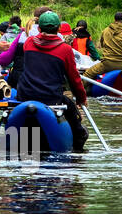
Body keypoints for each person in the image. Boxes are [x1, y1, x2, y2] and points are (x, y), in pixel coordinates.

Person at [17, 10, 89, 152]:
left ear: (38, 28)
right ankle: (78, 139)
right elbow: (74, 79)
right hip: (51, 97)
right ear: (59, 29)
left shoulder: (29, 43)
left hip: (25, 95)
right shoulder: (65, 50)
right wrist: (81, 99)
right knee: (71, 109)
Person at [84, 11, 122, 95]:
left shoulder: (105, 31)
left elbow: (102, 43)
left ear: (114, 20)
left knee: (88, 74)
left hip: (106, 64)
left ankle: (84, 91)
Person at [0, 6, 50, 92]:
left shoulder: (23, 35)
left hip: (21, 83)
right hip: (47, 85)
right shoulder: (58, 39)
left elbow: (4, 60)